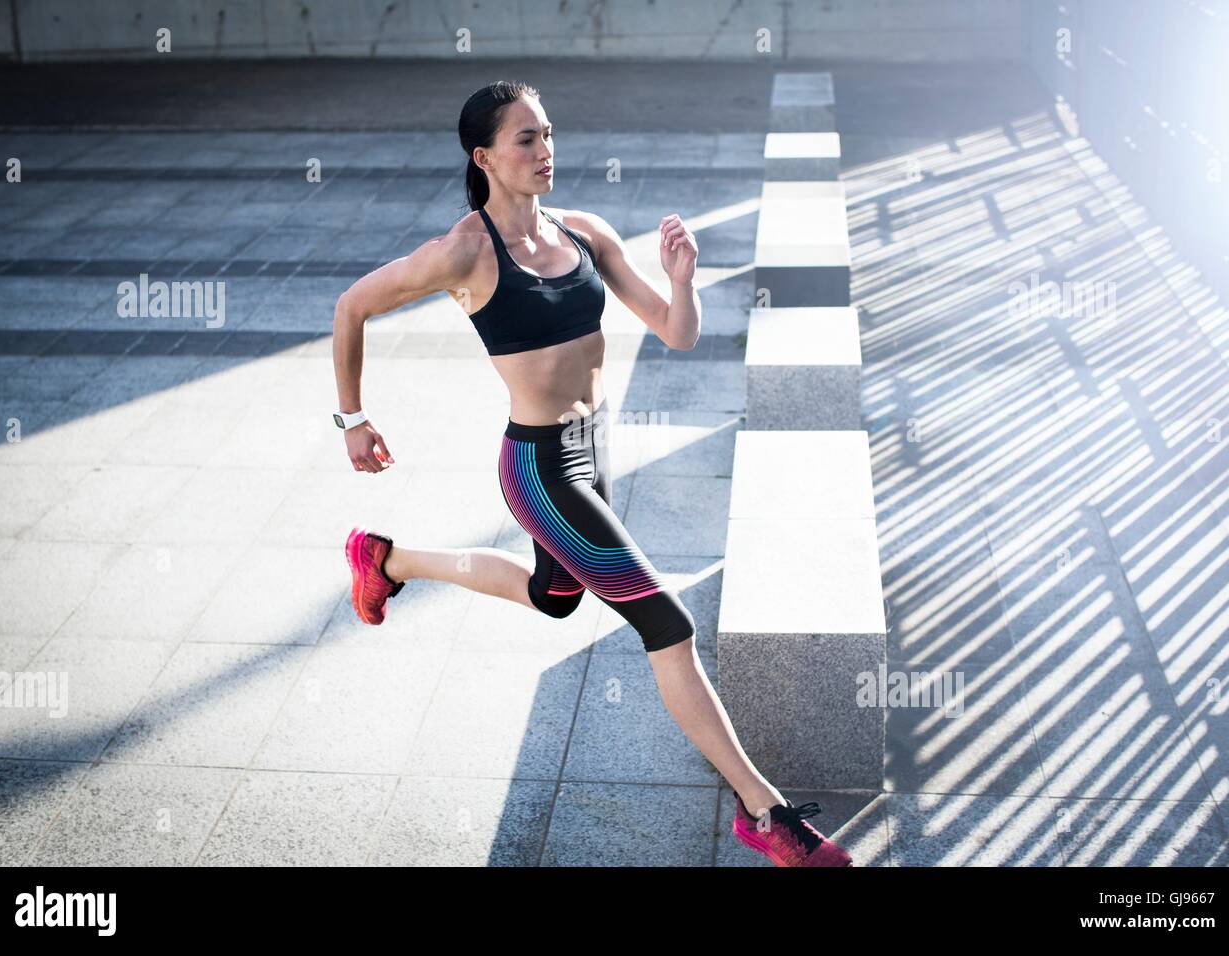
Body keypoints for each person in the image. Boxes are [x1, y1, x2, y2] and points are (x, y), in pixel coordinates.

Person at [331, 80, 852, 867]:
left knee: (554, 597)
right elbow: (351, 306)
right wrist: (354, 419)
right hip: (539, 468)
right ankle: (765, 813)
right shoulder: (465, 252)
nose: (544, 152)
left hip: (590, 454)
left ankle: (384, 559)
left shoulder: (584, 232)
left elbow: (675, 332)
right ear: (484, 157)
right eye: (524, 141)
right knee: (667, 625)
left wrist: (682, 279)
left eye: (547, 135)